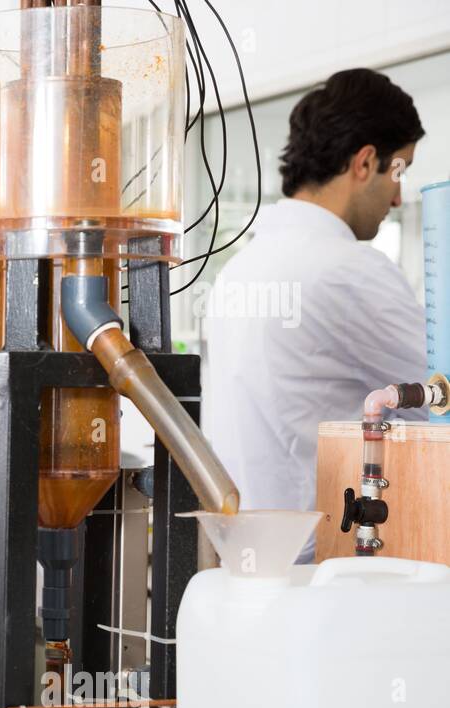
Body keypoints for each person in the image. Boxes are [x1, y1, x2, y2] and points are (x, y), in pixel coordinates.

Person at [204, 68, 427, 547]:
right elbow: (440, 397)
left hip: (245, 557)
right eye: (399, 170)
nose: (399, 195)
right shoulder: (348, 270)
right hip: (325, 570)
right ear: (365, 162)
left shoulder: (238, 271)